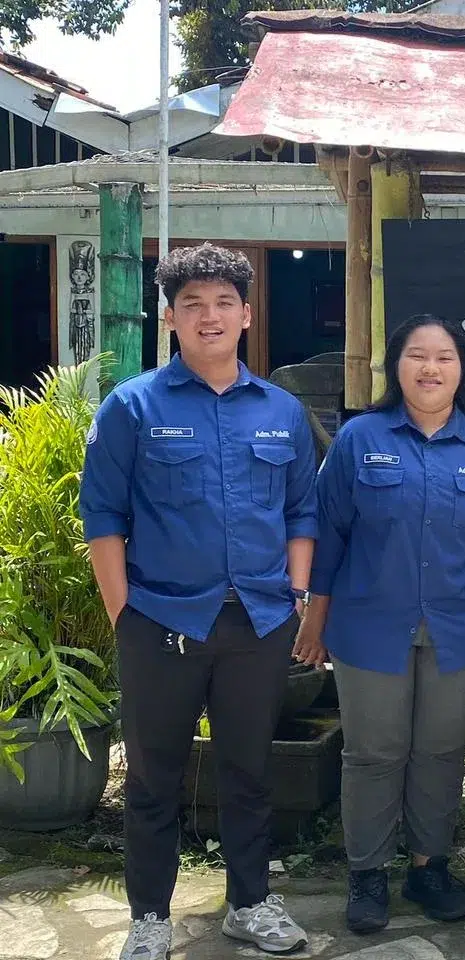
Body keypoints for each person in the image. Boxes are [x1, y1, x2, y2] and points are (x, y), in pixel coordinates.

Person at [80, 244, 317, 960]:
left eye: (223, 303)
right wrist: (126, 612)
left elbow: (302, 510)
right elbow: (102, 516)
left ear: (247, 314)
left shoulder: (281, 410)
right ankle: (150, 917)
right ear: (170, 316)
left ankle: (250, 902)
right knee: (153, 777)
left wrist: (297, 596)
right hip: (161, 621)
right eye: (193, 304)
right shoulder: (133, 406)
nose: (209, 316)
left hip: (260, 621)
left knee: (248, 770)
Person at [293, 314, 465, 935]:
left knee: (442, 753)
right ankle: (367, 875)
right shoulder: (360, 439)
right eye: (417, 355)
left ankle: (428, 868)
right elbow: (329, 530)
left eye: (444, 357)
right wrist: (315, 617)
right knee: (372, 753)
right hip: (369, 627)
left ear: (462, 370)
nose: (430, 368)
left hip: (462, 630)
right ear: (396, 367)